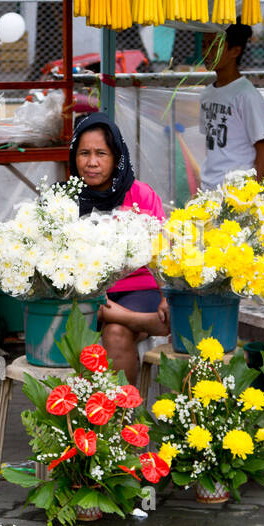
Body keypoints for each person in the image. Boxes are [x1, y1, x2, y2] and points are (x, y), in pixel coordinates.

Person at [71, 112, 169, 381]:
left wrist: (166, 297)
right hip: (83, 294)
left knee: (114, 331)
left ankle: (119, 420)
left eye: (101, 153)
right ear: (73, 156)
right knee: (96, 325)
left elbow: (162, 252)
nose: (92, 163)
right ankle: (141, 322)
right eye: (84, 153)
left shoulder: (140, 194)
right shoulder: (63, 199)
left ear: (116, 157)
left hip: (138, 289)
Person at [198, 23, 264, 189]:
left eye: (214, 46)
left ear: (235, 51)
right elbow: (211, 144)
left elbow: (263, 149)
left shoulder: (246, 95)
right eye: (204, 45)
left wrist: (250, 194)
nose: (206, 53)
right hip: (209, 187)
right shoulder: (207, 93)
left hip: (236, 189)